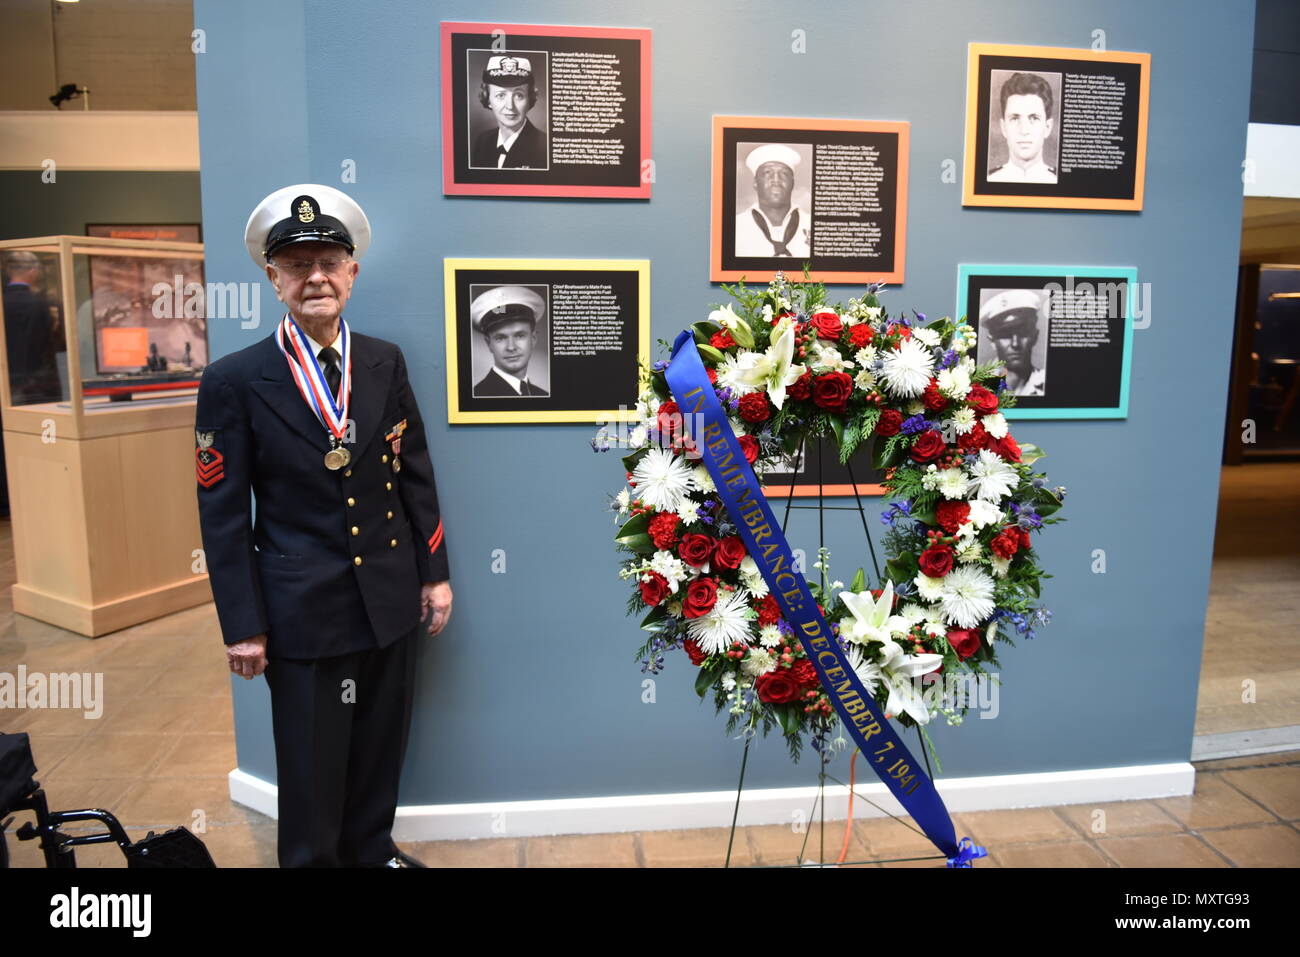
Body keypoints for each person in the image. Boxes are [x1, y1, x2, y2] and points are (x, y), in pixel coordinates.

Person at [195, 183, 454, 867]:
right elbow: (221, 516)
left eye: (329, 262)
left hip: (390, 596)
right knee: (312, 766)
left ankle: (372, 849)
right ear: (273, 278)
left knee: (378, 745)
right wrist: (242, 622)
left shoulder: (383, 360)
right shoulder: (234, 380)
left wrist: (436, 574)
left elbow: (414, 472)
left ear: (352, 272)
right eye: (298, 264)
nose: (316, 277)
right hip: (301, 609)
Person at [2, 251, 62, 404]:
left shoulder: (3, 301)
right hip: (37, 378)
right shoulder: (41, 304)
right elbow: (51, 340)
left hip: (6, 376)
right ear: (33, 271)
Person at [469, 55, 547, 169]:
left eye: (519, 95)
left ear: (530, 99)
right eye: (500, 95)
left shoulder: (545, 147)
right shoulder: (482, 142)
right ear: (488, 99)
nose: (510, 106)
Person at [734, 144, 811, 259]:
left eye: (784, 173)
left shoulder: (812, 224)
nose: (776, 180)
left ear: (793, 183)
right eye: (767, 173)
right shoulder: (736, 227)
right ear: (755, 182)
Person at [470, 286, 549, 396]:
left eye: (520, 336)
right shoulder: (478, 395)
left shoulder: (542, 395)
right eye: (500, 338)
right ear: (489, 344)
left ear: (533, 339)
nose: (511, 347)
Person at [987, 72, 1058, 184]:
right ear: (1004, 127)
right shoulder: (989, 179)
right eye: (1014, 118)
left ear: (1047, 127)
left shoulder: (1059, 181)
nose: (1024, 131)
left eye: (1034, 118)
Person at [980, 289, 1047, 397]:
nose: (1015, 344)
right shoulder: (977, 384)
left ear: (1035, 336)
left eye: (1023, 332)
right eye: (1005, 334)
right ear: (992, 341)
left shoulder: (1047, 383)